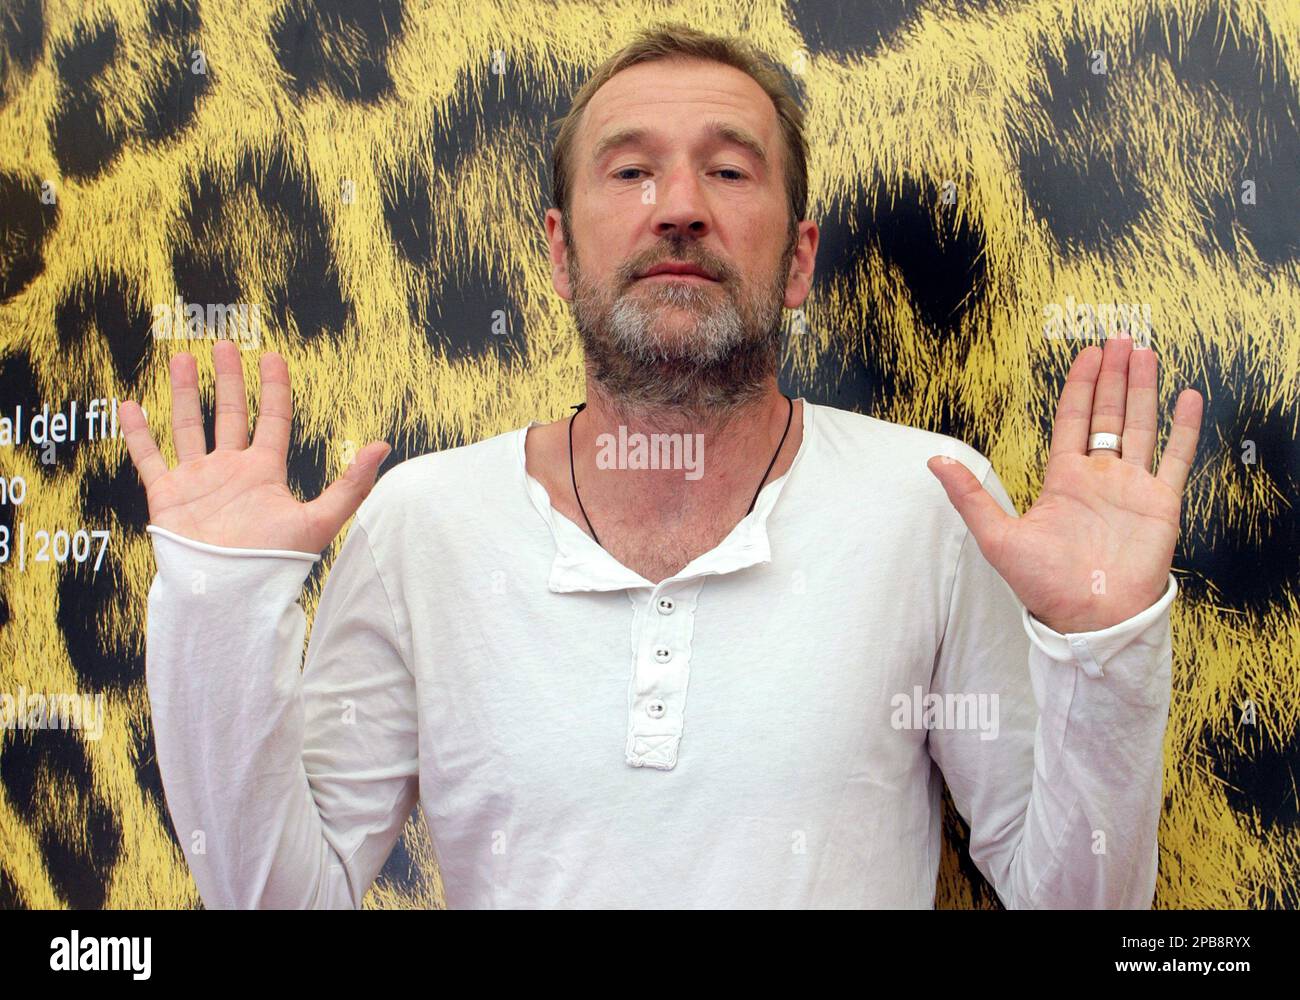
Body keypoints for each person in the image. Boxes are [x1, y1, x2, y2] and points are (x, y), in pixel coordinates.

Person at [122, 24, 1203, 908]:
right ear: (557, 251)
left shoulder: (930, 501)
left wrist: (1100, 642)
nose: (678, 204)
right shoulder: (424, 523)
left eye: (728, 170)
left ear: (798, 257)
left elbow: (1077, 907)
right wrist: (216, 606)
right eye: (630, 169)